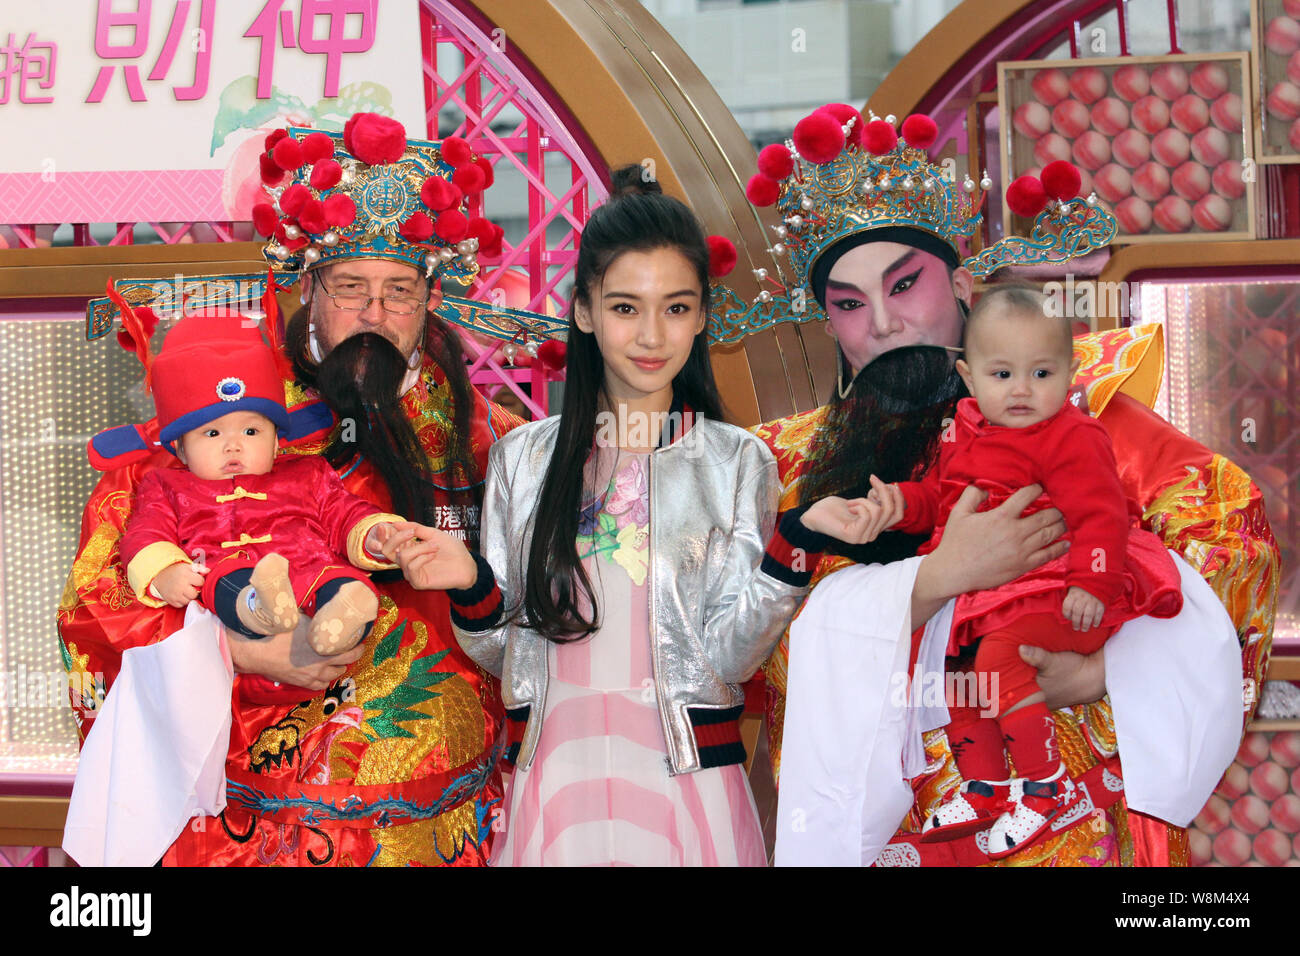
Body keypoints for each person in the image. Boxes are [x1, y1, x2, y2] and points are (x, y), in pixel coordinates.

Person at [733, 104, 1278, 866]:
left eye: (905, 285)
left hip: (1068, 817)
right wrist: (933, 581)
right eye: (851, 305)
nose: (884, 323)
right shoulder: (789, 469)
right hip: (886, 826)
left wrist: (1106, 669)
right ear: (829, 325)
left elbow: (1232, 536)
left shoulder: (1070, 407)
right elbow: (746, 661)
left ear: (959, 282)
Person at [59, 112, 530, 866]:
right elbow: (96, 606)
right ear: (306, 285)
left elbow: (548, 621)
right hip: (261, 823)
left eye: (400, 290)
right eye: (349, 286)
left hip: (446, 819)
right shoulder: (225, 426)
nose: (374, 314)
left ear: (429, 298)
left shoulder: (488, 441)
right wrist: (241, 653)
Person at [379, 168, 881, 866]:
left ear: (704, 314)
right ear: (584, 311)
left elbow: (735, 655)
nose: (651, 335)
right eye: (624, 308)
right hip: (558, 772)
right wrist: (469, 584)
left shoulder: (737, 461)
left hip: (685, 774)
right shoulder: (523, 458)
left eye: (676, 308)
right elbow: (502, 654)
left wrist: (793, 546)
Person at [839, 286, 1184, 857]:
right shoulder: (963, 427)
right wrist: (901, 504)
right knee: (954, 670)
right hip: (988, 597)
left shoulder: (1072, 435)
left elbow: (1103, 515)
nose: (1021, 389)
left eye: (1041, 372)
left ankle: (1044, 787)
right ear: (970, 380)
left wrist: (1090, 585)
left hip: (1060, 588)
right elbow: (944, 498)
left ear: (1068, 373)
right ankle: (985, 786)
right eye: (1002, 374)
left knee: (1000, 661)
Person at [119, 312, 420, 656]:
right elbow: (145, 532)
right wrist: (164, 571)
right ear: (181, 449)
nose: (233, 445)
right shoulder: (166, 485)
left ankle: (344, 618)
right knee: (227, 580)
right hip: (228, 579)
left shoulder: (307, 473)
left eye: (251, 432)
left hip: (310, 569)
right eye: (212, 433)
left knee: (339, 580)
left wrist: (374, 535)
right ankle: (259, 607)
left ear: (277, 441)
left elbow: (344, 512)